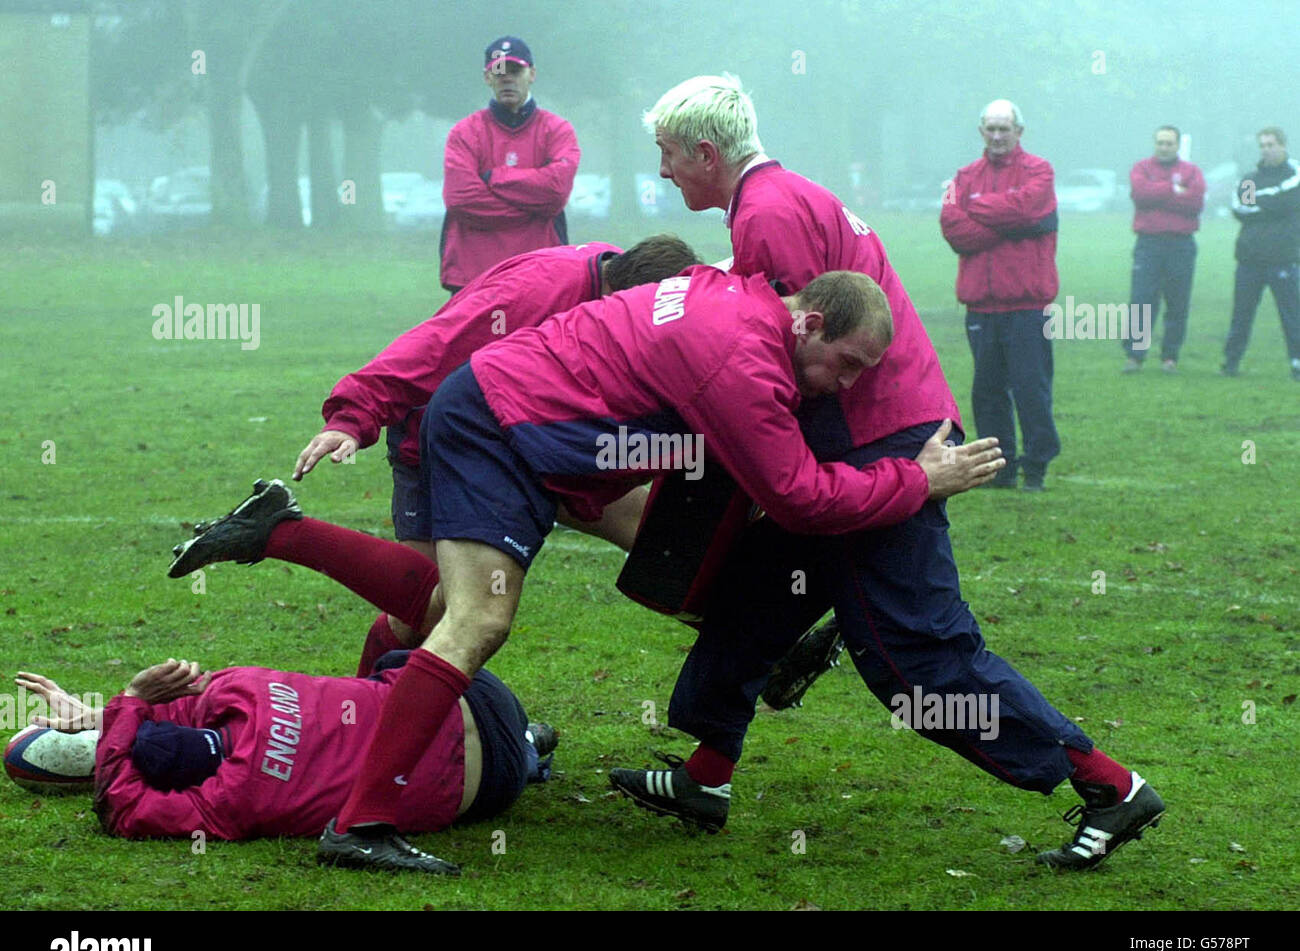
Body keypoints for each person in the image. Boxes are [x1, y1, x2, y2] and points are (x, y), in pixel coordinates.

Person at [607, 75, 1164, 872]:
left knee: (917, 661)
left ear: (704, 151)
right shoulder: (777, 198)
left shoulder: (768, 212)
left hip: (878, 443)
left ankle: (1110, 784)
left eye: (666, 155)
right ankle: (705, 777)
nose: (662, 171)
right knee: (751, 596)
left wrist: (788, 468)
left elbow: (804, 360)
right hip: (873, 437)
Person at [281, 264, 1004, 872]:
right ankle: (360, 823)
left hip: (526, 429)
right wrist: (918, 481)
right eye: (845, 363)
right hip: (499, 428)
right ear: (808, 321)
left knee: (454, 606)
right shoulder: (741, 357)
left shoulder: (736, 296)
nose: (845, 384)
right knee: (474, 618)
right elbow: (800, 497)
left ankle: (355, 779)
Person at [13, 525, 557, 857]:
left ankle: (531, 748)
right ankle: (289, 535)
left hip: (494, 787)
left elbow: (122, 810)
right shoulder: (239, 690)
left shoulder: (229, 804)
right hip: (477, 694)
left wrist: (111, 728)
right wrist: (123, 706)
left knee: (380, 694)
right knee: (394, 651)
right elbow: (172, 701)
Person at [290, 235, 700, 667]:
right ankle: (362, 706)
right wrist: (353, 415)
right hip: (439, 441)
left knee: (659, 533)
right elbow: (435, 345)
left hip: (526, 442)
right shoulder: (535, 292)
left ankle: (747, 650)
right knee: (431, 610)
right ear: (620, 298)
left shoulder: (621, 277)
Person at [940, 98, 1060, 492]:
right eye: (990, 129)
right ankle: (1000, 469)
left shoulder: (1039, 171)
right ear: (981, 131)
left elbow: (1028, 208)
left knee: (1031, 389)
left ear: (1018, 132)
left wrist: (976, 209)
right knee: (987, 391)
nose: (996, 136)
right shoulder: (962, 175)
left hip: (1027, 306)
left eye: (1003, 129)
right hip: (981, 305)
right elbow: (952, 226)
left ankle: (1037, 466)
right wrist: (1009, 222)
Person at [439, 36, 580, 294]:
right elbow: (461, 200)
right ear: (487, 78)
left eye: (515, 70)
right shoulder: (464, 133)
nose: (507, 78)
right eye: (498, 71)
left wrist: (495, 177)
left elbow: (556, 191)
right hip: (474, 276)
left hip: (540, 273)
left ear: (532, 74)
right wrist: (533, 209)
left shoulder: (557, 130)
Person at [1124, 126, 1206, 374]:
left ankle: (1170, 357)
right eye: (1160, 142)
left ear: (1178, 145)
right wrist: (1172, 189)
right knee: (1141, 300)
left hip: (1180, 245)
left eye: (1169, 143)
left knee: (1177, 301)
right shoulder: (1141, 168)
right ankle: (1135, 356)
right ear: (1154, 143)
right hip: (1148, 244)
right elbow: (1140, 195)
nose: (1164, 147)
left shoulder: (1191, 171)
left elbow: (1195, 202)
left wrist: (1156, 192)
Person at [1221, 127, 1300, 380]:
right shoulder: (1248, 179)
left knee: (1292, 314)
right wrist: (1269, 206)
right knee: (1241, 314)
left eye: (1271, 144)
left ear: (1283, 145)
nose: (1266, 149)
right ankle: (1231, 361)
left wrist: (1258, 204)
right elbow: (1240, 209)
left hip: (1282, 258)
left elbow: (1288, 200)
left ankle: (1297, 362)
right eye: (1262, 145)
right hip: (1249, 259)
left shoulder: (1294, 173)